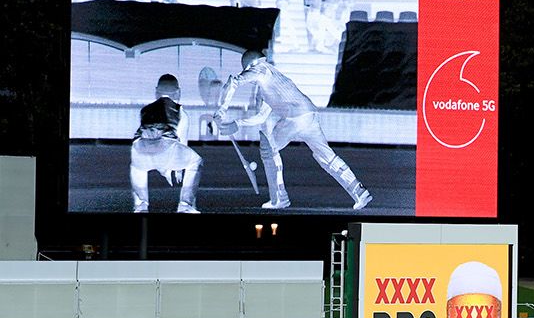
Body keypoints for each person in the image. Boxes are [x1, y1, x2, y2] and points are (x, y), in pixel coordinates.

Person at [216, 49, 372, 210]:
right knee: (326, 157)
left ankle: (279, 198)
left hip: (295, 117)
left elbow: (234, 82)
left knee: (268, 148)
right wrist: (236, 124)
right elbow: (261, 117)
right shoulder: (270, 82)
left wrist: (221, 111)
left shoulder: (261, 69)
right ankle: (359, 191)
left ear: (250, 66)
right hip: (309, 115)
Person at [130, 74, 202, 214]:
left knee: (137, 167)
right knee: (196, 161)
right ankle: (185, 204)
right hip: (165, 146)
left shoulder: (145, 110)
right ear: (178, 92)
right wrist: (177, 169)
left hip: (139, 148)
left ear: (156, 91)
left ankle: (141, 204)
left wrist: (165, 168)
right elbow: (182, 143)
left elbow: (148, 137)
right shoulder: (180, 111)